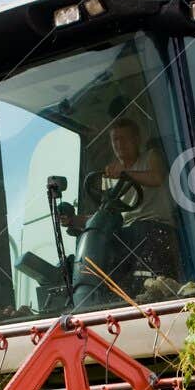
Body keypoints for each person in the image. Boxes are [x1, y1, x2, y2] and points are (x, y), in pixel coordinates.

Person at [61, 116, 179, 279]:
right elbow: (104, 214)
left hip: (156, 229)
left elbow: (156, 178)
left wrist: (125, 173)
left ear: (137, 139)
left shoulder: (151, 157)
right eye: (115, 139)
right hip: (127, 234)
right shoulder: (108, 176)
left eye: (124, 138)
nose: (119, 144)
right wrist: (73, 220)